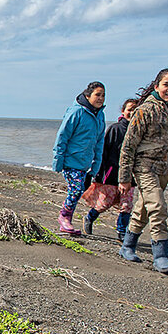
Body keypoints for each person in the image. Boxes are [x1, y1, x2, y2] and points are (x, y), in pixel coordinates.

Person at [117, 68, 168, 274]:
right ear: (156, 86)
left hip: (165, 168)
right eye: (166, 84)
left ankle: (127, 246)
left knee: (143, 209)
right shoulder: (144, 110)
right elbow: (128, 145)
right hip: (145, 165)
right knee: (157, 206)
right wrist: (124, 177)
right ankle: (161, 256)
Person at [81, 98, 140, 241]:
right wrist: (99, 172)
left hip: (130, 175)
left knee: (127, 205)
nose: (132, 113)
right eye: (129, 109)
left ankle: (121, 231)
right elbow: (104, 151)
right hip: (112, 173)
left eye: (135, 110)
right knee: (104, 203)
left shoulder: (139, 131)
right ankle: (89, 218)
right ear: (123, 111)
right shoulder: (115, 128)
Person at [52, 81, 106, 235]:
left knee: (79, 190)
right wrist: (58, 161)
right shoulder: (76, 112)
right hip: (70, 160)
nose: (100, 98)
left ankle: (66, 218)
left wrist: (96, 166)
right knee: (75, 190)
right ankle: (64, 217)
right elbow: (62, 136)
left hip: (85, 163)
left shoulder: (100, 115)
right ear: (88, 95)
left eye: (103, 95)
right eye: (97, 95)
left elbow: (99, 142)